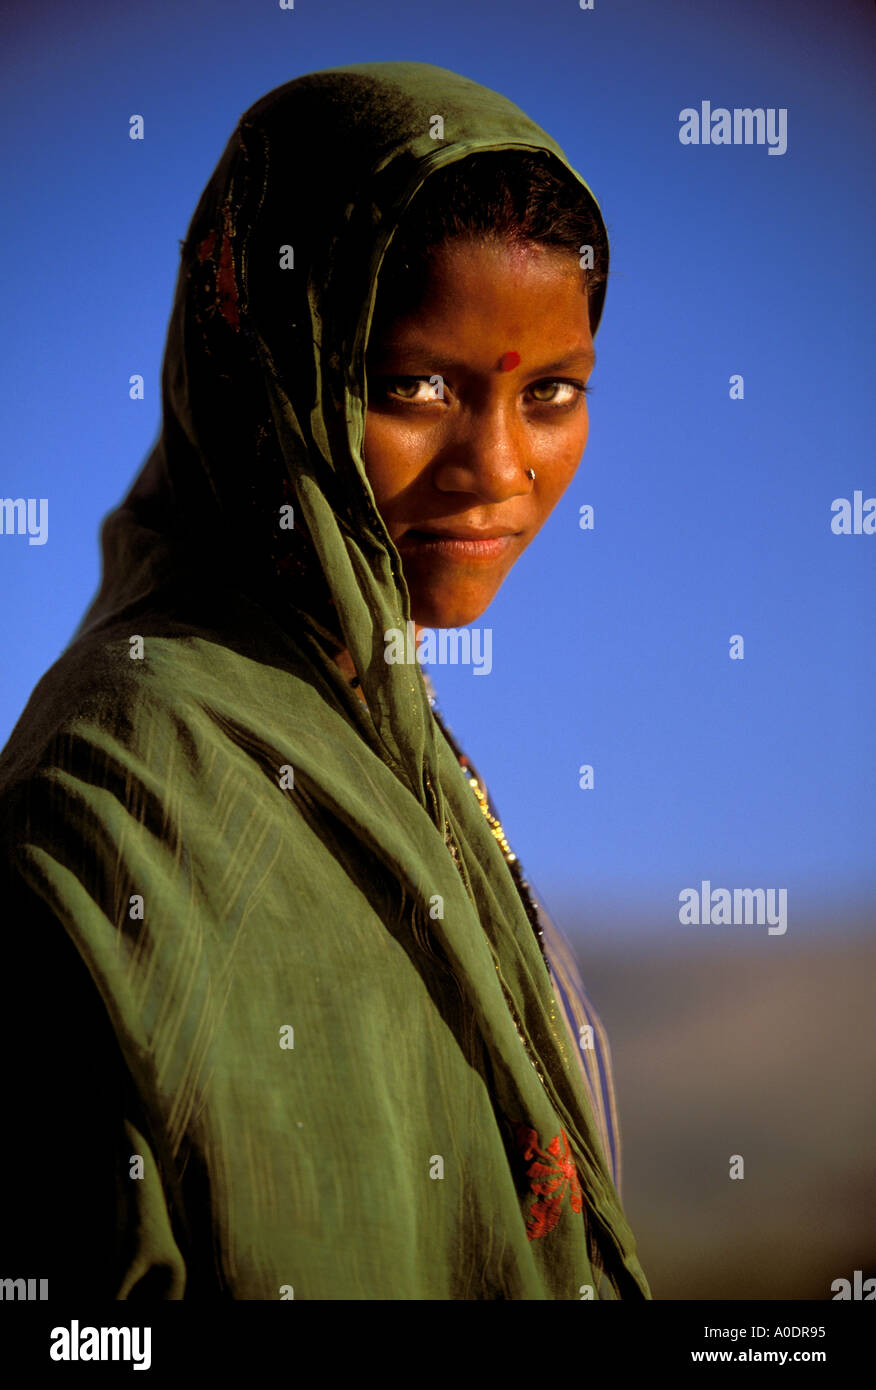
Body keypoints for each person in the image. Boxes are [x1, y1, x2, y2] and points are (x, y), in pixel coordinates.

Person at [0, 61, 650, 1300]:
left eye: (549, 393)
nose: (496, 466)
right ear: (270, 379)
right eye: (415, 386)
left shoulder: (394, 753)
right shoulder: (120, 785)